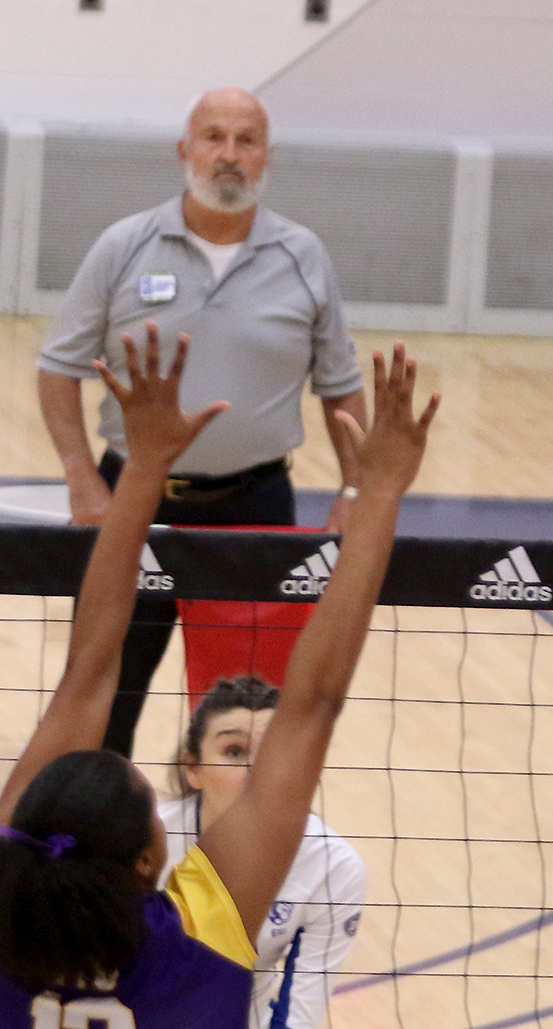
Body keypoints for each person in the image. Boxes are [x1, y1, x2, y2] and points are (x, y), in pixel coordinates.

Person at [0, 325, 437, 1026]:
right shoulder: (199, 931)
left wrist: (142, 465)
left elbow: (89, 678)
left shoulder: (4, 929)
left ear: (19, 826)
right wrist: (379, 490)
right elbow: (311, 704)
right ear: (150, 861)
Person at [36, 86, 368, 757]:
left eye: (246, 141)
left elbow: (340, 389)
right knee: (102, 696)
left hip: (257, 510)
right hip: (133, 503)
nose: (229, 155)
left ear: (266, 158)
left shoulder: (304, 256)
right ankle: (98, 849)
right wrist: (81, 478)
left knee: (243, 720)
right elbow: (56, 367)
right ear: (184, 151)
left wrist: (355, 492)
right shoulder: (124, 246)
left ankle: (227, 856)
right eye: (214, 137)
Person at [161, 677, 368, 1029]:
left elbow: (298, 1015)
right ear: (193, 768)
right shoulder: (144, 838)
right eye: (234, 752)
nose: (257, 772)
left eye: (272, 752)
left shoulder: (333, 867)